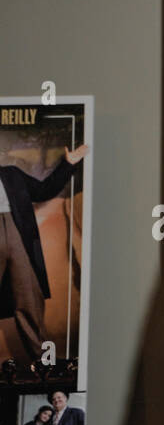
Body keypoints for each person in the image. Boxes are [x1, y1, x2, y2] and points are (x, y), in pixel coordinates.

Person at [0, 144, 87, 361]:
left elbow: (43, 191)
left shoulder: (11, 174)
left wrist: (68, 164)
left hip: (17, 232)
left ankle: (45, 368)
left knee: (29, 301)